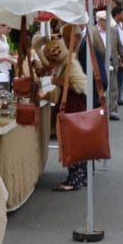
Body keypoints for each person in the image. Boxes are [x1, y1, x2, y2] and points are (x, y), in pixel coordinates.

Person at [43, 38, 92, 192]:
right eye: (52, 53)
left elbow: (81, 87)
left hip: (73, 109)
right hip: (72, 108)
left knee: (72, 144)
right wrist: (46, 95)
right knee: (76, 144)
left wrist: (60, 82)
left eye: (56, 51)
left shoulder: (70, 64)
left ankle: (74, 179)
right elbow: (59, 94)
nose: (54, 55)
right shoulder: (65, 65)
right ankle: (80, 177)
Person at [105, 6, 123, 119]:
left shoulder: (115, 27)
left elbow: (119, 43)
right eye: (122, 14)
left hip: (114, 60)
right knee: (105, 86)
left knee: (114, 87)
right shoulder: (94, 31)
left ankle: (113, 110)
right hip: (103, 61)